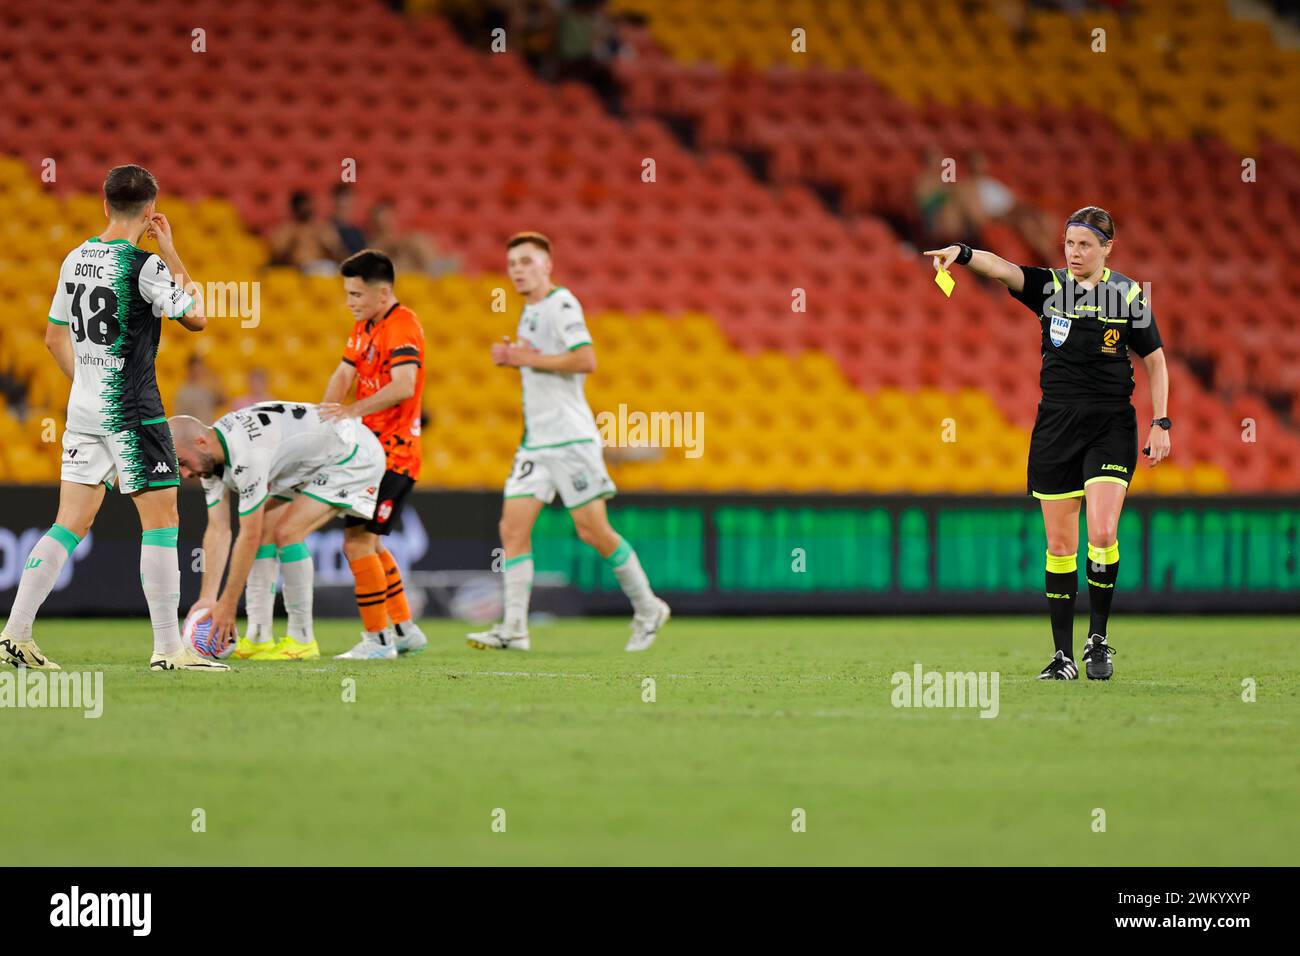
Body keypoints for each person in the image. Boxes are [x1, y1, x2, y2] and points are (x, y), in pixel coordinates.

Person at [924, 206, 1171, 681]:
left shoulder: (1126, 294)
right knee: (1060, 545)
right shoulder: (1050, 289)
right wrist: (963, 253)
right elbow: (1004, 269)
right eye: (1069, 244)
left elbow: (1155, 360)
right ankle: (1062, 658)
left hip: (1110, 426)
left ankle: (1098, 640)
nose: (1075, 253)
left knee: (1101, 533)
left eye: (1085, 245)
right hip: (1056, 428)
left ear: (1106, 249)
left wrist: (1161, 422)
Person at [0, 164, 221, 672]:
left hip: (83, 408)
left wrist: (87, 385)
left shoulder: (74, 258)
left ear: (104, 205)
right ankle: (169, 649)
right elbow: (196, 317)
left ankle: (15, 633)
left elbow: (54, 338)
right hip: (134, 410)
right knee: (162, 522)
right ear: (150, 212)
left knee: (68, 523)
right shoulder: (145, 266)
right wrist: (168, 249)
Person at [467, 232, 670, 652]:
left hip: (570, 439)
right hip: (536, 444)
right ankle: (515, 628)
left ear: (547, 265)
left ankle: (648, 607)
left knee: (593, 530)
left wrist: (525, 358)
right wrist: (516, 359)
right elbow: (545, 367)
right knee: (512, 529)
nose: (518, 270)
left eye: (526, 261)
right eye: (512, 264)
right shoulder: (528, 314)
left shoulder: (562, 304)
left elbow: (585, 359)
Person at [170, 401, 390, 661]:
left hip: (351, 452)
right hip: (304, 463)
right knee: (265, 532)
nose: (184, 474)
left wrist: (228, 606)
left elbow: (247, 537)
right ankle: (258, 637)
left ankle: (303, 639)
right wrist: (208, 598)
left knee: (287, 532)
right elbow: (218, 529)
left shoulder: (246, 454)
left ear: (201, 443)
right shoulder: (211, 459)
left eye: (183, 463)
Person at [320, 249, 429, 657]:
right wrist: (325, 418)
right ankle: (403, 629)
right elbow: (344, 371)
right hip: (371, 452)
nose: (350, 302)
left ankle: (377, 639)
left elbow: (403, 385)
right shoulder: (364, 326)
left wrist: (350, 411)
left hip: (395, 454)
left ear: (383, 294)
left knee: (357, 543)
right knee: (371, 544)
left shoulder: (402, 326)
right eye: (347, 294)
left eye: (356, 295)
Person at [267, 191, 342, 275]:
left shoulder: (322, 227)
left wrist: (324, 243)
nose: (305, 209)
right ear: (295, 208)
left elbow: (336, 251)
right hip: (296, 269)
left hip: (320, 267)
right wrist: (292, 243)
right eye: (302, 206)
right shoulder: (287, 229)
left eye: (308, 205)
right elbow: (276, 255)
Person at [173, 353, 225, 423]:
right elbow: (180, 417)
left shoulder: (207, 388)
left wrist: (217, 384)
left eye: (200, 367)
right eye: (195, 368)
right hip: (192, 431)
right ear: (189, 369)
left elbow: (222, 402)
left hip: (207, 429)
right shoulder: (183, 392)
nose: (199, 370)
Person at [329, 184, 368, 258]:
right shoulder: (327, 229)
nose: (345, 205)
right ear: (334, 201)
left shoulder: (357, 231)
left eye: (349, 199)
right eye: (341, 199)